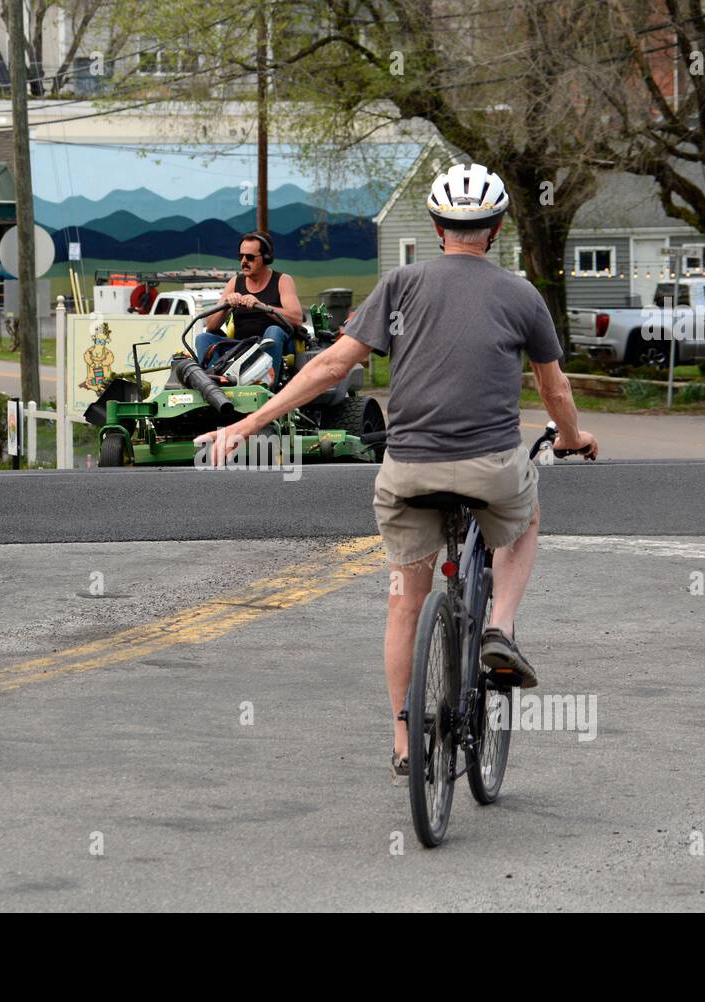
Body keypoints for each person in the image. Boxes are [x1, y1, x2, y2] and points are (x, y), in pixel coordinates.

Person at [195, 162, 598, 779]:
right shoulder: (522, 296)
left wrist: (244, 425)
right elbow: (555, 390)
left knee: (405, 603)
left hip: (406, 470)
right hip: (490, 468)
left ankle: (405, 740)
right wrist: (573, 439)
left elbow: (330, 368)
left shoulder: (401, 284)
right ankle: (499, 627)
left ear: (437, 227)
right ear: (493, 231)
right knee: (525, 515)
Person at [196, 232, 305, 387]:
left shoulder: (282, 280)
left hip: (273, 347)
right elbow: (211, 326)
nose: (244, 261)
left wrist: (262, 306)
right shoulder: (235, 282)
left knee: (273, 331)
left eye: (250, 257)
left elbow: (296, 318)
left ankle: (267, 390)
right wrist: (227, 305)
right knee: (203, 338)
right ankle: (216, 390)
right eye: (241, 256)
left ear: (266, 258)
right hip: (240, 347)